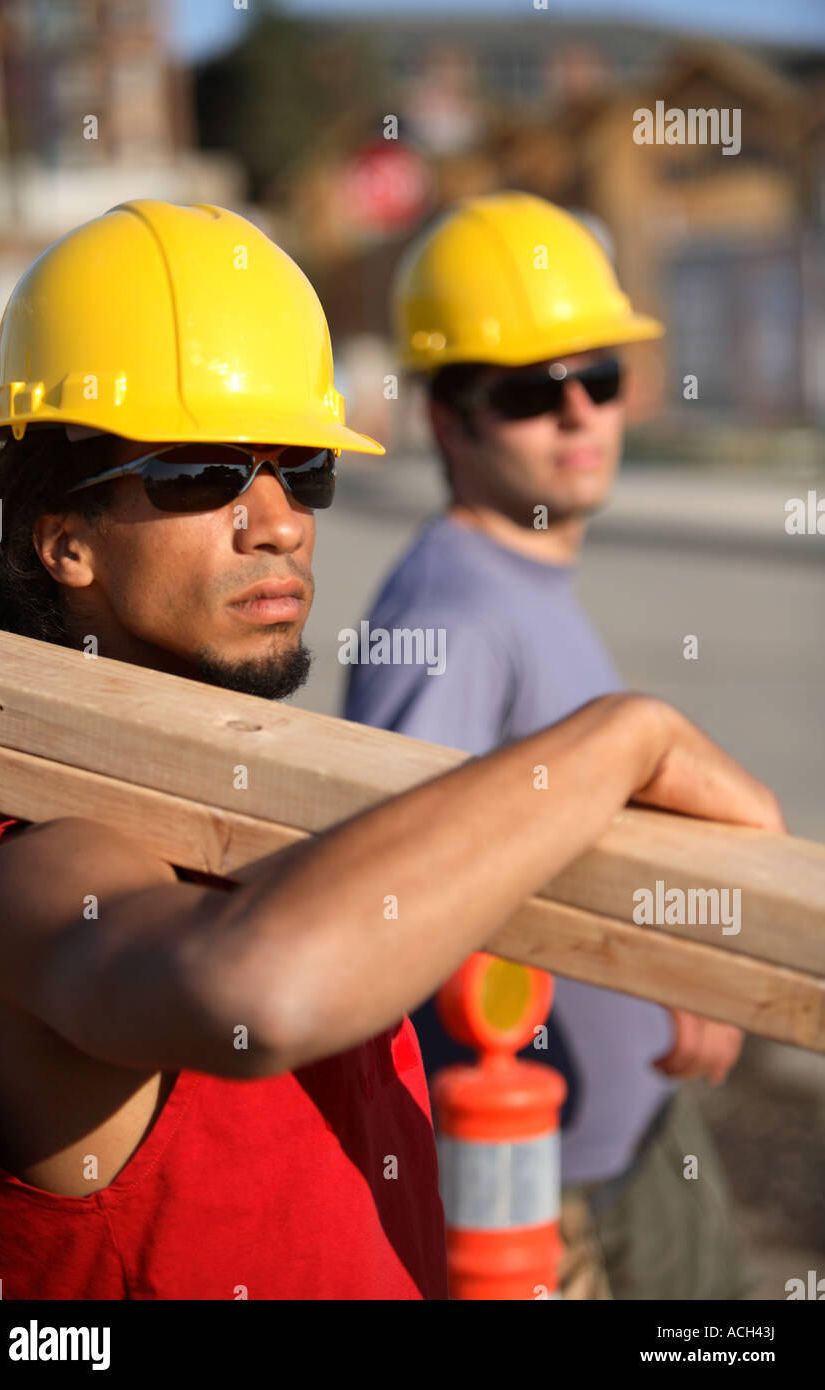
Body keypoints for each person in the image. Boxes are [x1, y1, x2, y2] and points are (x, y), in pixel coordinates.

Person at [0, 199, 781, 1301]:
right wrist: (614, 742)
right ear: (64, 539)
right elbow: (255, 995)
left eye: (297, 467)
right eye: (201, 473)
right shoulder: (33, 863)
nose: (280, 520)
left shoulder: (225, 790)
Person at [346, 191, 755, 1300]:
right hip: (543, 1188)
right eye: (529, 392)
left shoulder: (516, 576)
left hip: (626, 1136)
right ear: (447, 421)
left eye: (598, 379)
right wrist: (664, 953)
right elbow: (395, 897)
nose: (576, 414)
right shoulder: (453, 613)